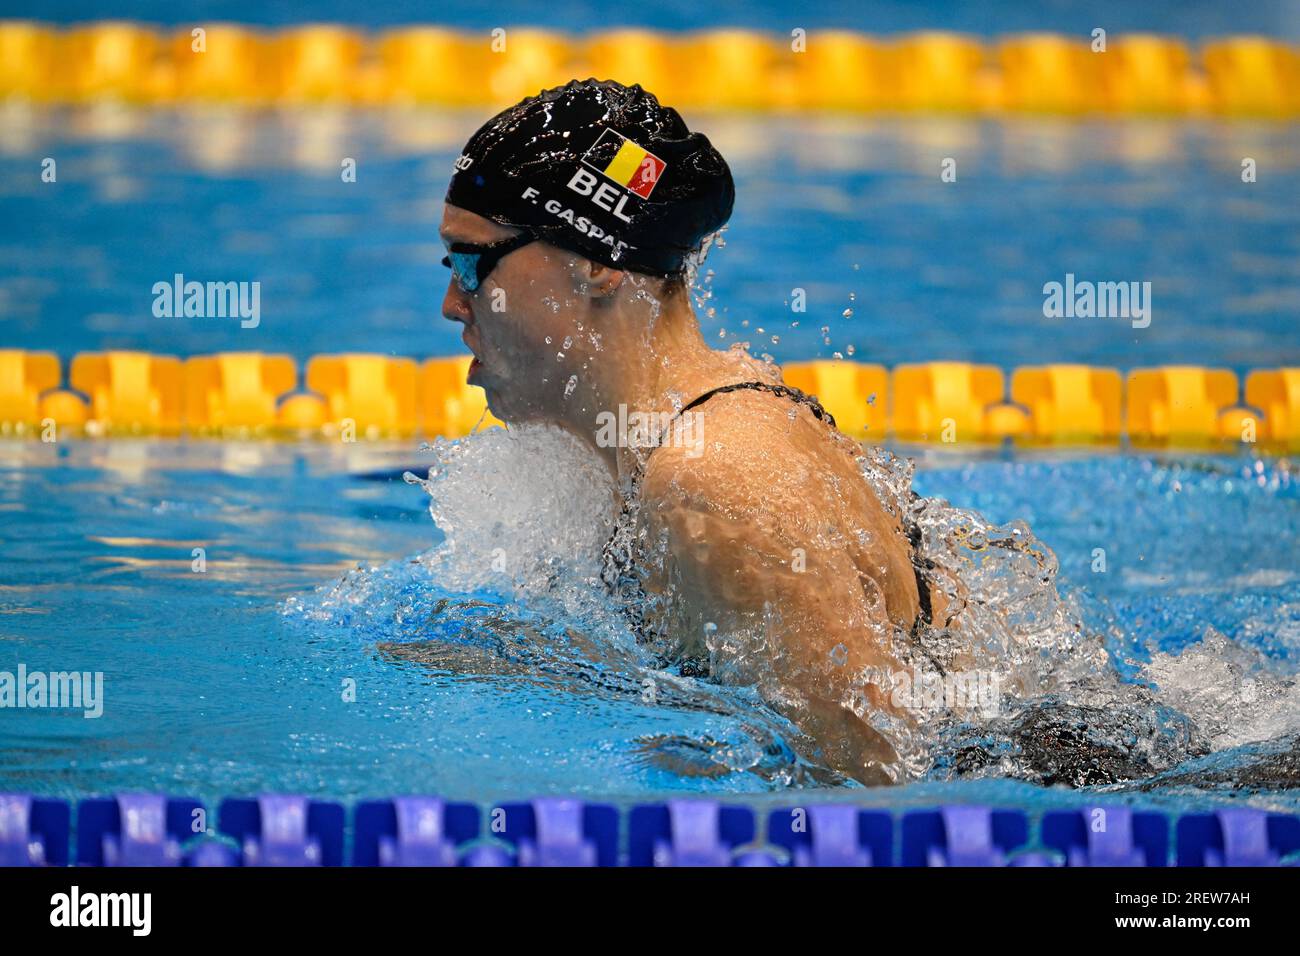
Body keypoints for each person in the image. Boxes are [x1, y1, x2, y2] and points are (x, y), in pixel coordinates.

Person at [439, 78, 950, 784]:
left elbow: (876, 786)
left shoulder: (715, 478)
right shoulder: (645, 447)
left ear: (596, 265)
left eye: (473, 263)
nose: (451, 304)